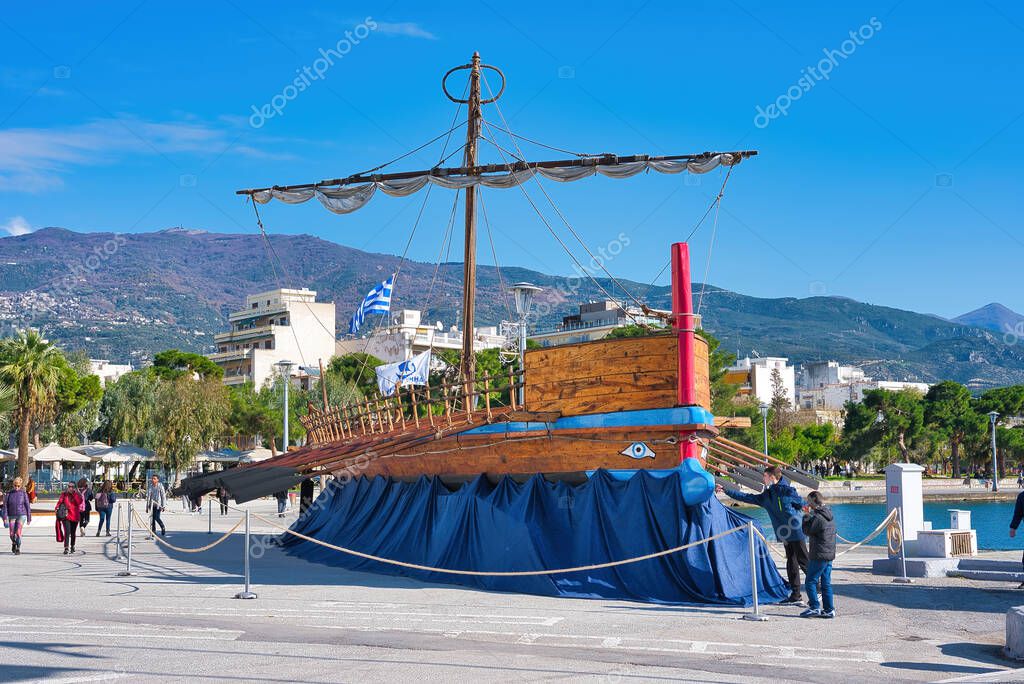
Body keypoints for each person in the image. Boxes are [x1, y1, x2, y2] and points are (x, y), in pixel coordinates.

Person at [717, 465, 808, 604]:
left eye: (764, 476)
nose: (763, 479)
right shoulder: (767, 496)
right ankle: (796, 595)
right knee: (791, 563)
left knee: (804, 561)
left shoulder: (788, 491)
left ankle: (818, 589)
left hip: (796, 531)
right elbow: (747, 497)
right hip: (784, 534)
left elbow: (803, 504)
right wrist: (727, 491)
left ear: (772, 477)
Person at [800, 491, 837, 618]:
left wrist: (805, 515)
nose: (807, 504)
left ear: (814, 502)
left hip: (819, 554)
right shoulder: (829, 514)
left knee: (810, 581)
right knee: (826, 582)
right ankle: (829, 609)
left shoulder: (818, 517)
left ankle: (814, 607)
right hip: (829, 554)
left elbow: (806, 530)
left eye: (809, 501)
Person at [2, 477, 32, 554]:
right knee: (12, 534)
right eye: (15, 485)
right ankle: (14, 543)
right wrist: (5, 517)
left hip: (21, 515)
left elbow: (27, 506)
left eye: (18, 486)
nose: (17, 487)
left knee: (18, 532)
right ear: (13, 485)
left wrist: (29, 518)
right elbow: (5, 506)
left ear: (21, 485)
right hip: (11, 515)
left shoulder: (23, 494)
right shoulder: (9, 494)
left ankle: (18, 548)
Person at [56, 483, 84, 554]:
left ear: (75, 488)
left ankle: (72, 546)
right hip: (66, 515)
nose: (70, 488)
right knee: (67, 532)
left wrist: (74, 494)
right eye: (69, 486)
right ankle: (66, 548)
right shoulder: (64, 494)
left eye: (72, 487)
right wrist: (57, 507)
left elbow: (79, 502)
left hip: (75, 516)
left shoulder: (78, 495)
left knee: (73, 532)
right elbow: (60, 501)